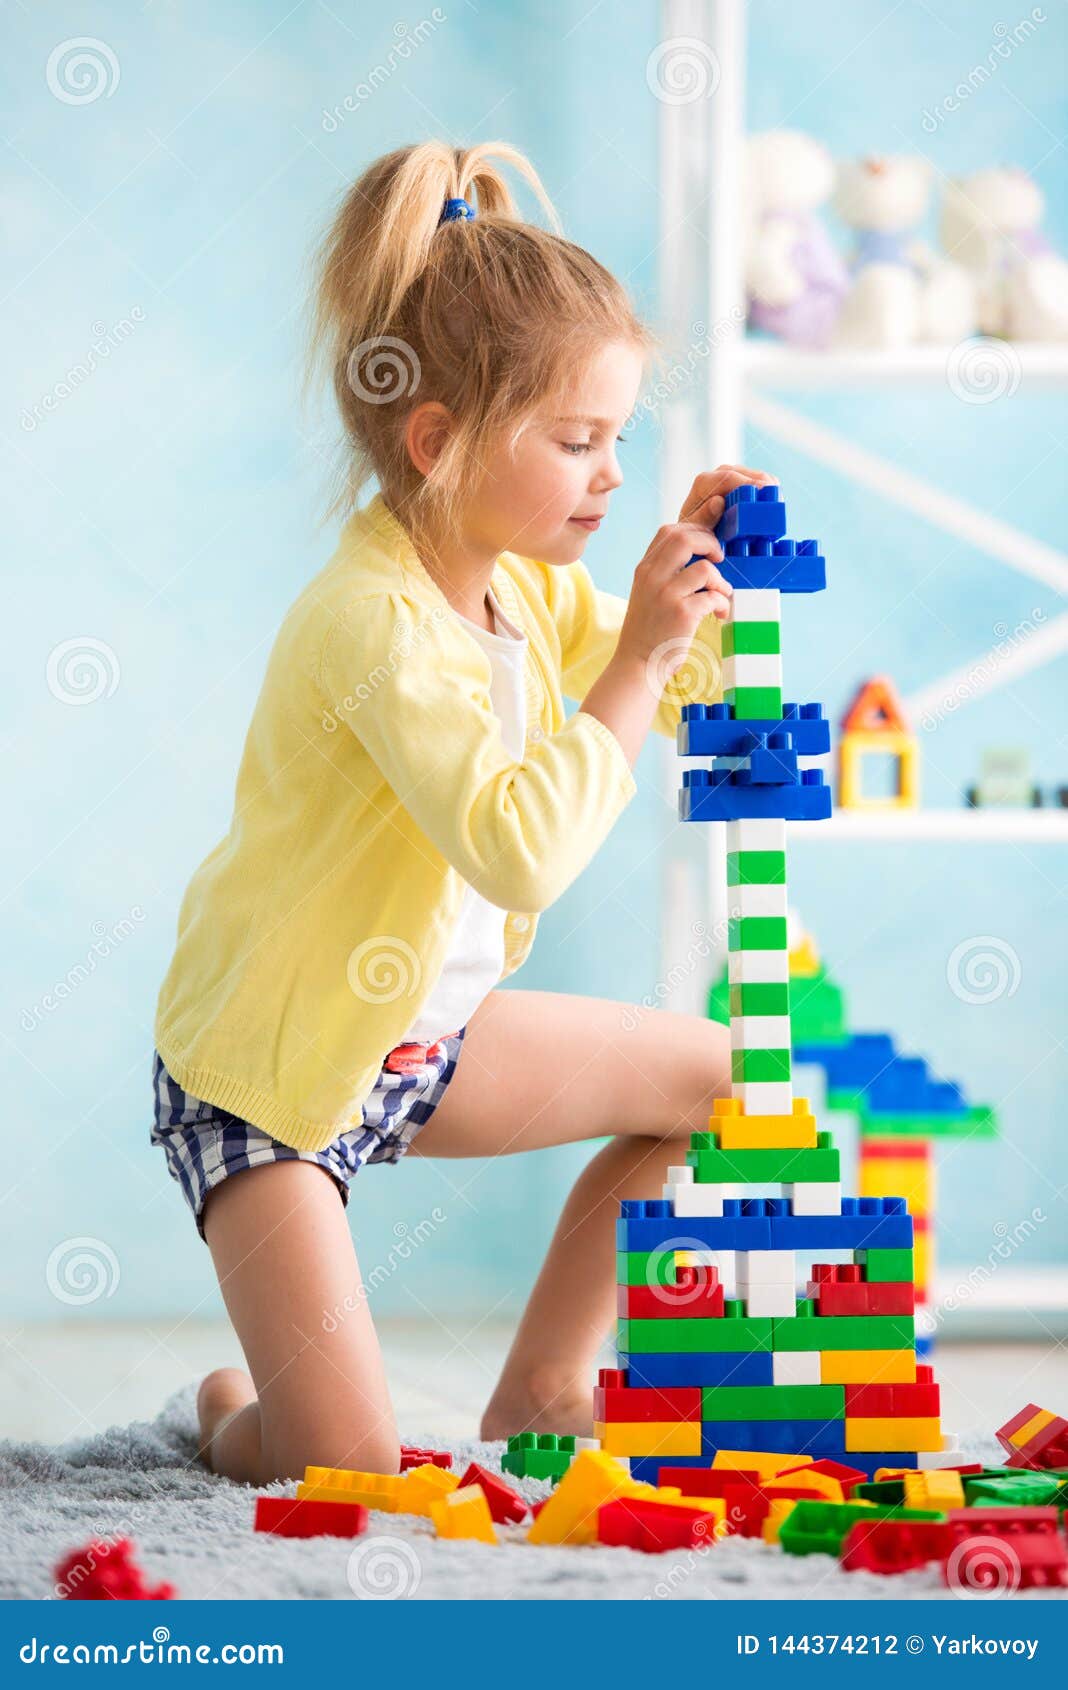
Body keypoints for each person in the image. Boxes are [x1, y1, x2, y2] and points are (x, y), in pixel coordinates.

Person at [152, 139, 771, 1485]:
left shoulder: (518, 584)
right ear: (436, 441)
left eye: (619, 440)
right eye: (578, 441)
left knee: (723, 1078)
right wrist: (633, 660)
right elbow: (517, 838)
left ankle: (545, 1379)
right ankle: (223, 1407)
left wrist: (704, 570)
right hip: (279, 1075)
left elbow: (680, 684)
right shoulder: (372, 622)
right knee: (350, 1467)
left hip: (423, 1040)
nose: (608, 474)